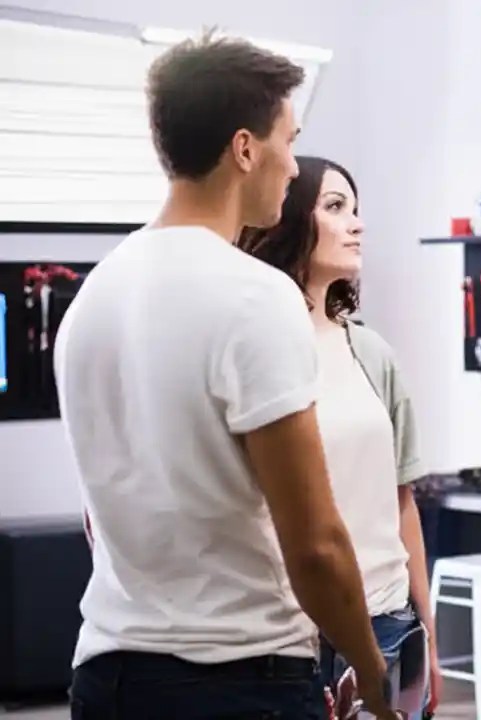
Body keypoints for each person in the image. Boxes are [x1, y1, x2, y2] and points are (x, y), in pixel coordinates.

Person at [53, 32, 396, 720]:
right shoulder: (255, 296)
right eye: (289, 142)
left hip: (107, 676)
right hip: (236, 680)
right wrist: (372, 667)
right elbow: (317, 545)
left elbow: (99, 517)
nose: (294, 167)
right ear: (245, 149)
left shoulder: (93, 296)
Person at [236, 155, 443, 717]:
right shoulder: (250, 346)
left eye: (356, 209)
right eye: (334, 207)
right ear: (287, 218)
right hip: (288, 636)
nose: (357, 223)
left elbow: (401, 502)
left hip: (389, 623)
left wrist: (428, 632)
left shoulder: (371, 352)